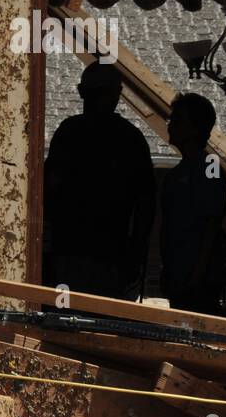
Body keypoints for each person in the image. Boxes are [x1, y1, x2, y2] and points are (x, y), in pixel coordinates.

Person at [44, 63, 155, 299]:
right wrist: (136, 254)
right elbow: (146, 206)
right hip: (106, 253)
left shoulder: (69, 133)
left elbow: (47, 192)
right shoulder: (130, 139)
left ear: (81, 91)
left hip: (75, 251)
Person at [159, 92, 226, 315]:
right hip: (178, 271)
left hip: (197, 275)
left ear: (195, 128)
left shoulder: (210, 166)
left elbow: (212, 221)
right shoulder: (176, 174)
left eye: (178, 120)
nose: (170, 125)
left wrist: (198, 273)